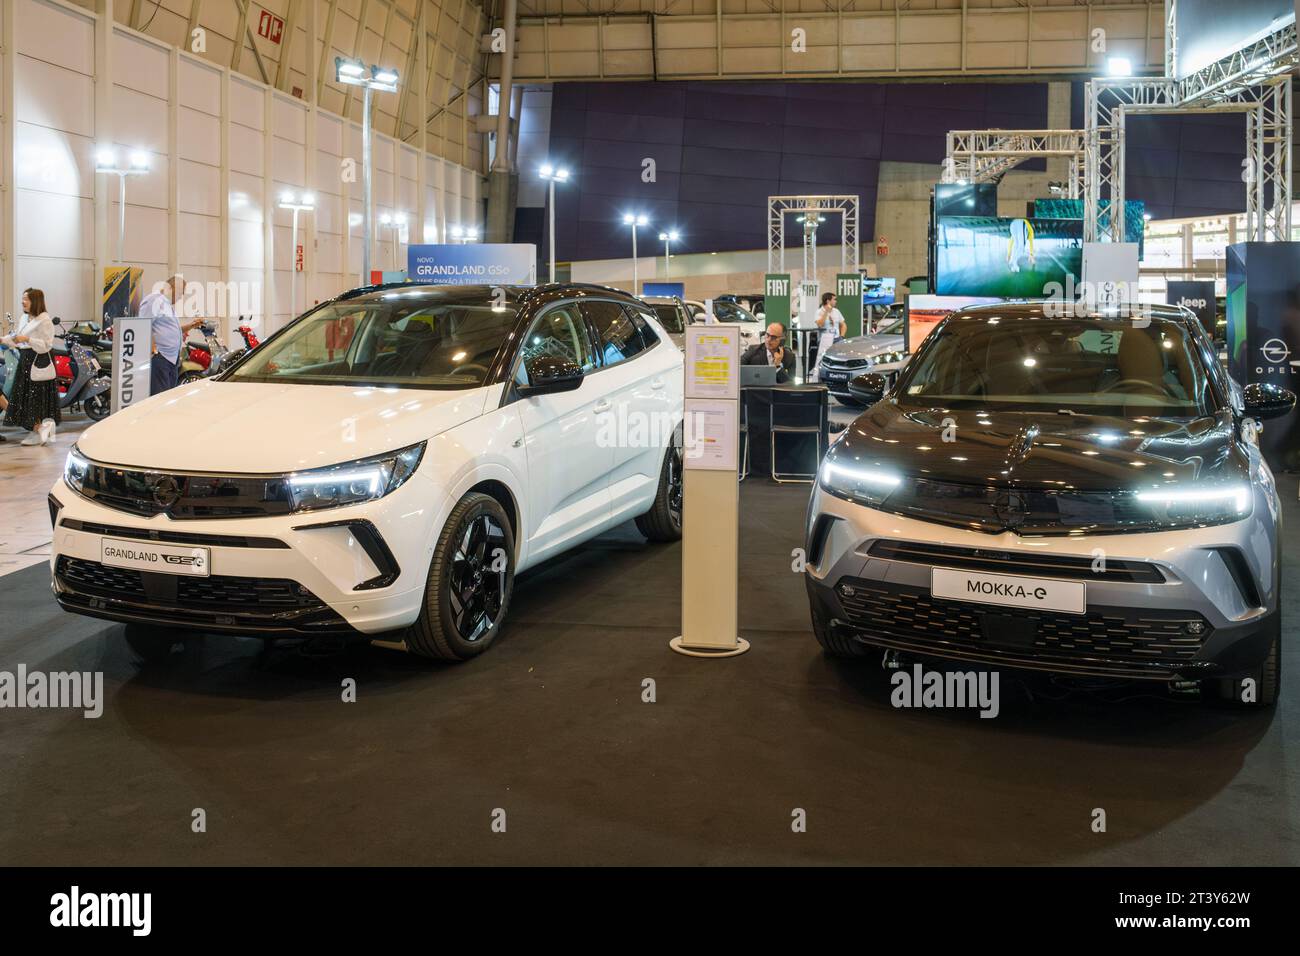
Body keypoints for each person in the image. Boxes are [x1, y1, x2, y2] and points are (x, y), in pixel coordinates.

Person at [0, 288, 60, 446]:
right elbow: (16, 338)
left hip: (38, 360)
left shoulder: (44, 320)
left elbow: (46, 345)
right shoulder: (24, 318)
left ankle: (39, 430)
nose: (23, 302)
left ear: (36, 301)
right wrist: (3, 340)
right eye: (23, 298)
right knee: (25, 397)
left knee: (35, 398)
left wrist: (28, 339)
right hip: (25, 360)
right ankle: (37, 430)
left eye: (26, 299)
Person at [139, 274, 203, 395]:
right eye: (181, 292)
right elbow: (143, 325)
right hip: (161, 358)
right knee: (159, 399)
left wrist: (191, 325)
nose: (181, 297)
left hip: (171, 360)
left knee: (167, 397)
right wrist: (153, 351)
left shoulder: (167, 305)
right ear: (172, 288)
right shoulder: (154, 300)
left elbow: (173, 330)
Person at [813, 292, 847, 381]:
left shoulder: (836, 311)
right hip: (825, 340)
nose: (836, 301)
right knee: (824, 360)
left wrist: (842, 336)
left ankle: (837, 377)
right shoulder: (819, 312)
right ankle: (821, 378)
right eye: (834, 299)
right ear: (828, 301)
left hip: (836, 339)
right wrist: (826, 313)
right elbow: (820, 324)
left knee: (839, 359)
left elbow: (843, 324)